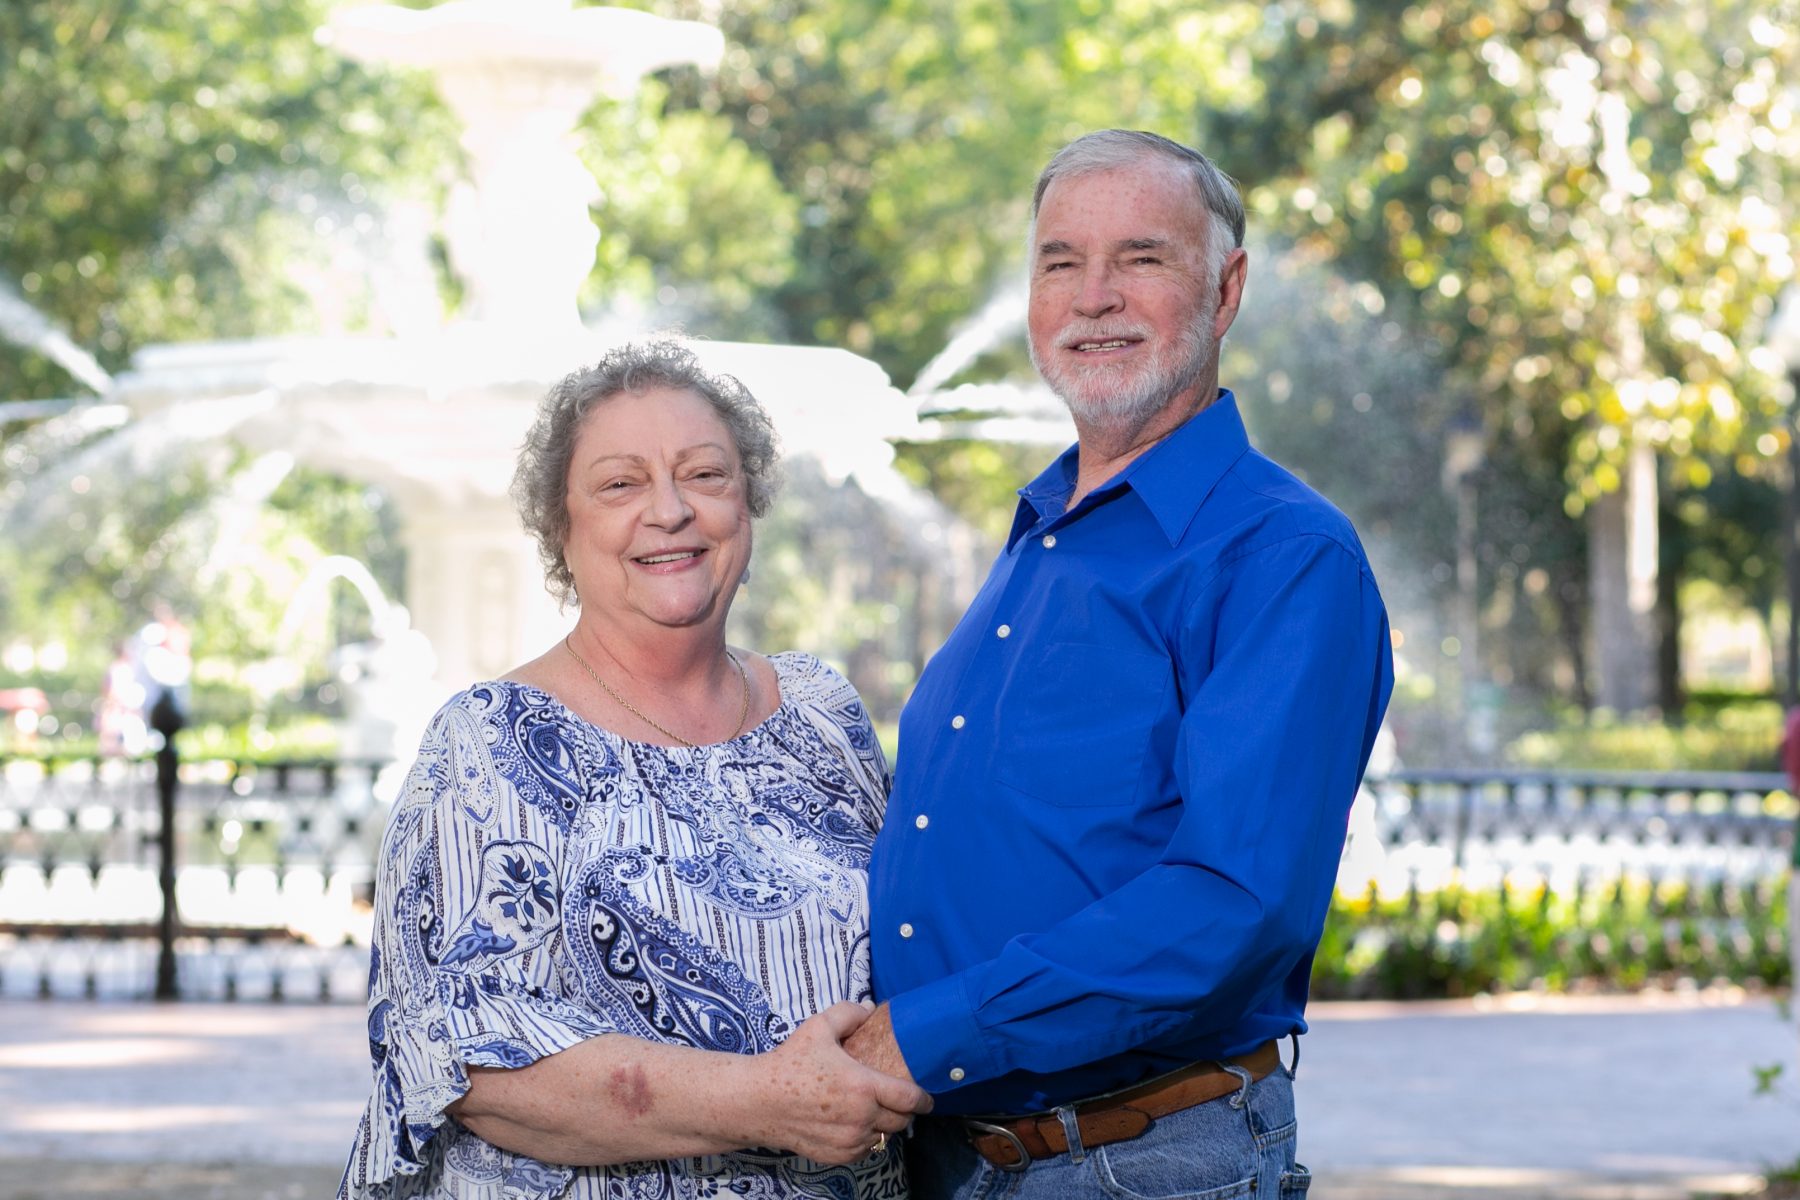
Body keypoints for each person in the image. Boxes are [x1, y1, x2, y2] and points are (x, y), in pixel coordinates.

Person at [851, 130, 1396, 1198]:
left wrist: (918, 1038)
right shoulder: (1043, 534)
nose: (1092, 296)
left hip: (1133, 1162)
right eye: (1060, 262)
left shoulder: (1282, 554)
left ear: (1225, 290)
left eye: (1141, 258)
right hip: (954, 1153)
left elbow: (1232, 905)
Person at [340, 340, 930, 1200]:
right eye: (621, 484)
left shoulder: (822, 710)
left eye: (705, 475)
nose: (671, 511)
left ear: (748, 502)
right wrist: (769, 1101)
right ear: (562, 528)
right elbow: (467, 1064)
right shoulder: (487, 742)